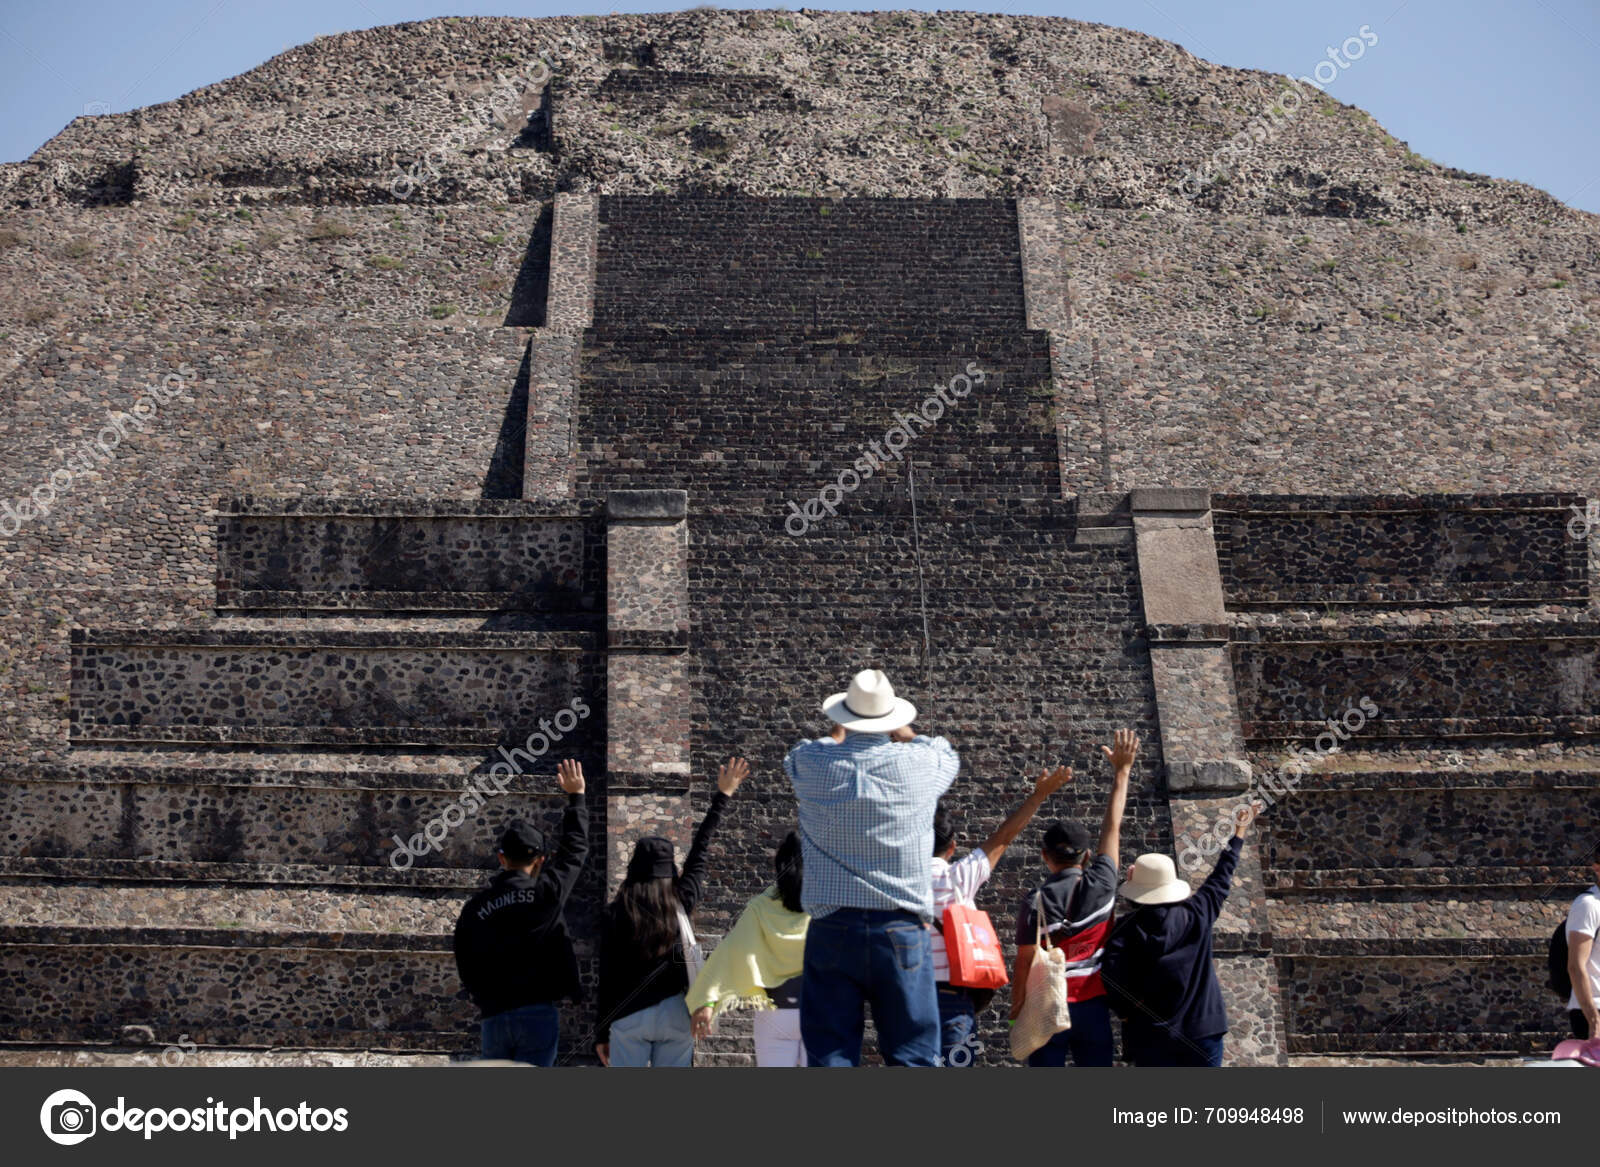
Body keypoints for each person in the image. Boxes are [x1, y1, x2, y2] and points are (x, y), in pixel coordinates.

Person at [785, 668, 958, 1066]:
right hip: (901, 926)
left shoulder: (813, 764)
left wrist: (838, 733)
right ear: (892, 718)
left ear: (844, 717)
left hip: (833, 924)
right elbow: (946, 753)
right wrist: (905, 731)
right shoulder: (921, 765)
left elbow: (797, 755)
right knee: (913, 1056)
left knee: (830, 1055)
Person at [595, 756, 748, 1067]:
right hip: (676, 1013)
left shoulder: (616, 913)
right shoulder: (681, 900)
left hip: (628, 1014)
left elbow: (607, 978)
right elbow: (700, 853)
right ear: (671, 872)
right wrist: (722, 795)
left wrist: (601, 1033)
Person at [1010, 729, 1138, 1067]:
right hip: (1093, 1006)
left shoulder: (1034, 901)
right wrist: (1122, 771)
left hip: (1047, 1007)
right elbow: (1112, 828)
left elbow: (1024, 962)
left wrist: (1016, 1010)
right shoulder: (1104, 882)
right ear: (1087, 856)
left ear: (1044, 856)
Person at [930, 764, 1072, 1067]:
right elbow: (1004, 836)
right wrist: (1038, 795)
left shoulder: (893, 881)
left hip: (904, 1001)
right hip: (953, 1001)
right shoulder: (958, 879)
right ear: (952, 846)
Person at [452, 757, 589, 1066]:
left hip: (495, 1013)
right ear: (541, 860)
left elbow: (464, 957)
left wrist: (480, 996)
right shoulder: (547, 893)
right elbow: (575, 851)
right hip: (538, 1011)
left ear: (502, 859)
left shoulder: (476, 907)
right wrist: (576, 797)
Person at [1101, 799, 1258, 1067]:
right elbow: (1222, 876)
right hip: (1203, 1028)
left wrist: (1126, 1012)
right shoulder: (1198, 912)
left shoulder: (1126, 930)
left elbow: (1110, 975)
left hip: (1151, 1035)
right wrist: (1239, 832)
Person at [687, 831, 810, 1066]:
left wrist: (708, 1002)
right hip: (819, 1011)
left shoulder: (760, 907)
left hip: (774, 1014)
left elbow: (729, 952)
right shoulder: (828, 906)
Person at [1566, 849, 1600, 1040]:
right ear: (1597, 868)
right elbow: (1575, 966)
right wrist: (1594, 1021)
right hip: (1594, 1010)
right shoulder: (1588, 905)